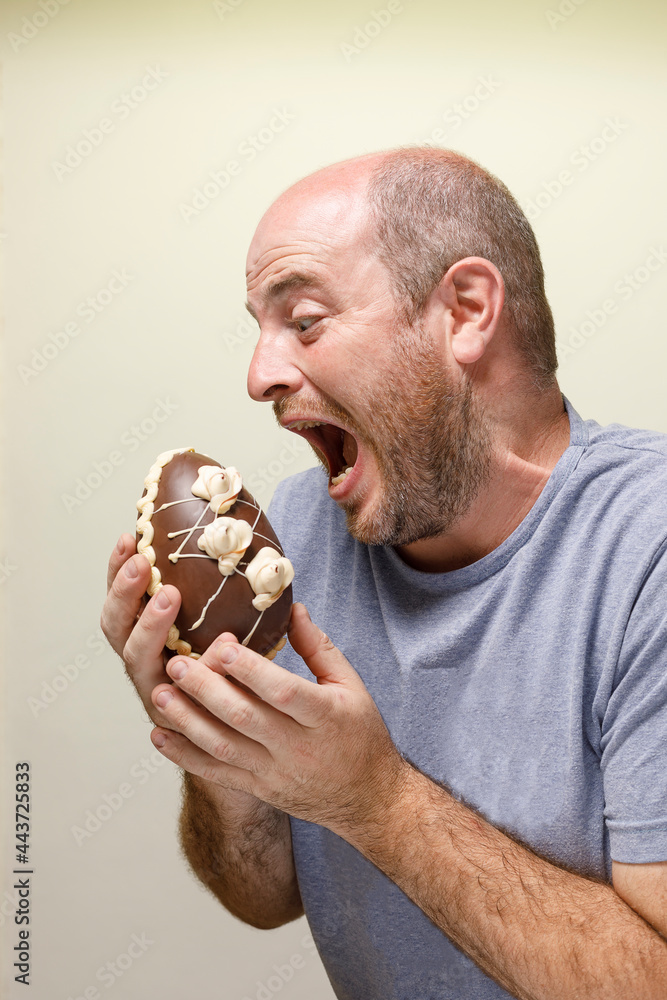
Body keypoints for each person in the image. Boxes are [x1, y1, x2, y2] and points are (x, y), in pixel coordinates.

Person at [101, 147, 667, 999]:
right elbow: (264, 897)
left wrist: (377, 802)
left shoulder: (645, 550)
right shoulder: (289, 539)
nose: (259, 377)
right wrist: (211, 739)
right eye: (258, 330)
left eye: (303, 320)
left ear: (465, 312)